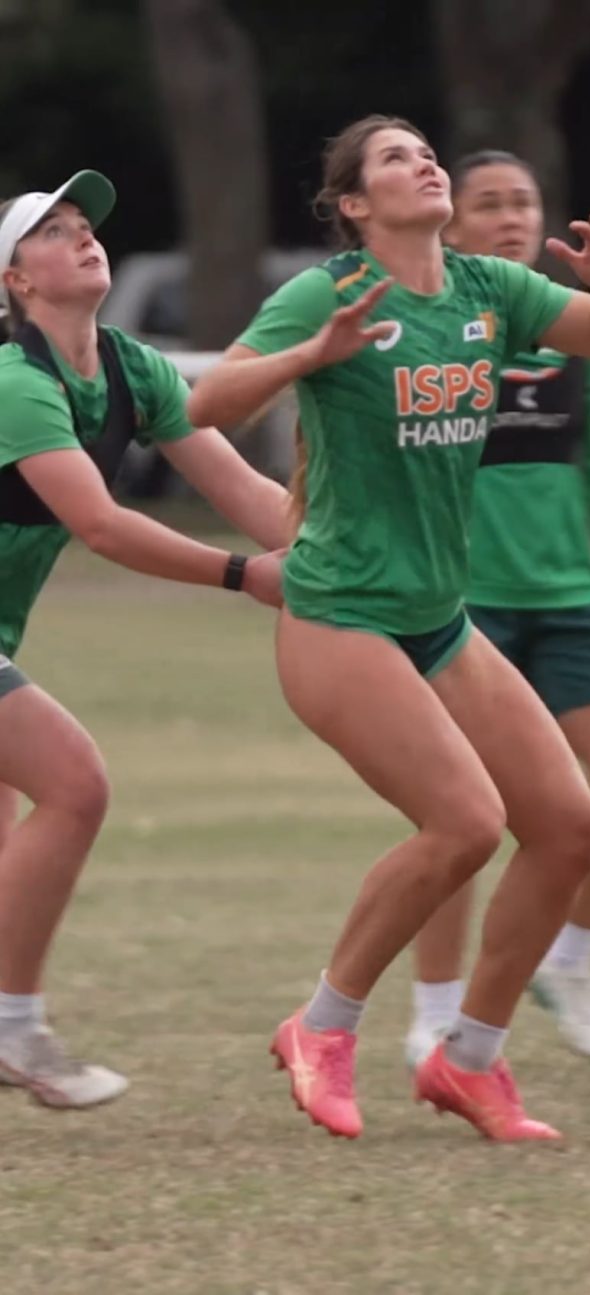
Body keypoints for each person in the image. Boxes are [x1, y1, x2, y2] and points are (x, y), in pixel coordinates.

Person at [189, 115, 590, 1143]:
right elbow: (205, 402)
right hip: (335, 612)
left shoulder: (488, 289)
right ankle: (320, 1027)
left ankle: (470, 1060)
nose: (425, 163)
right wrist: (311, 353)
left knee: (570, 825)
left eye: (425, 151)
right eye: (395, 157)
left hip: (434, 617)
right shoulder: (331, 291)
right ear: (354, 204)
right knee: (462, 823)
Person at [0, 171, 289, 1107]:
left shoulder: (132, 367)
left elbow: (248, 495)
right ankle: (15, 1033)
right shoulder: (13, 383)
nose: (83, 238)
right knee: (74, 783)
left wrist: (355, 563)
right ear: (15, 282)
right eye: (54, 233)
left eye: (87, 226)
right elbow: (103, 526)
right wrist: (244, 576)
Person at [405, 150, 590, 1069]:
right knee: (461, 814)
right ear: (453, 223)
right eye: (490, 204)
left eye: (524, 202)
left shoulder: (580, 334)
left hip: (575, 600)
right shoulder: (435, 331)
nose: (511, 217)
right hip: (462, 605)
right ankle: (434, 1007)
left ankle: (572, 958)